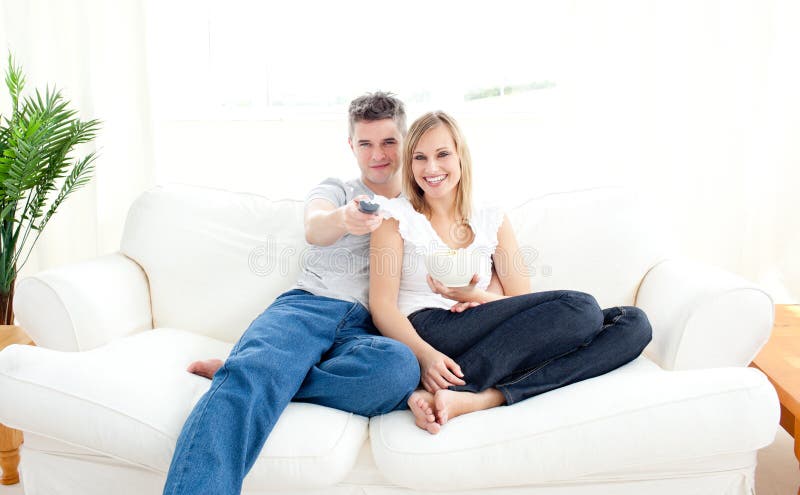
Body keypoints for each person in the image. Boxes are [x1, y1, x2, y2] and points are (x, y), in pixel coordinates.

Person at [162, 92, 421, 495]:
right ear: (351, 145)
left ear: (405, 141)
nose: (377, 154)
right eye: (365, 143)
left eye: (388, 142)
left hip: (370, 327)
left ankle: (262, 372)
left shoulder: (419, 200)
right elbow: (315, 226)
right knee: (249, 383)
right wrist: (345, 218)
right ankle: (253, 373)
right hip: (309, 307)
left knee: (399, 370)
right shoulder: (337, 189)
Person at [368, 111, 653, 435]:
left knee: (633, 323)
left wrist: (477, 297)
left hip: (491, 330)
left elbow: (523, 304)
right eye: (420, 158)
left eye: (442, 154)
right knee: (582, 309)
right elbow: (382, 306)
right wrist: (426, 357)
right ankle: (463, 384)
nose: (431, 168)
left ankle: (483, 397)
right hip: (429, 330)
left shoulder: (491, 217)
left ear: (461, 156)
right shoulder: (394, 217)